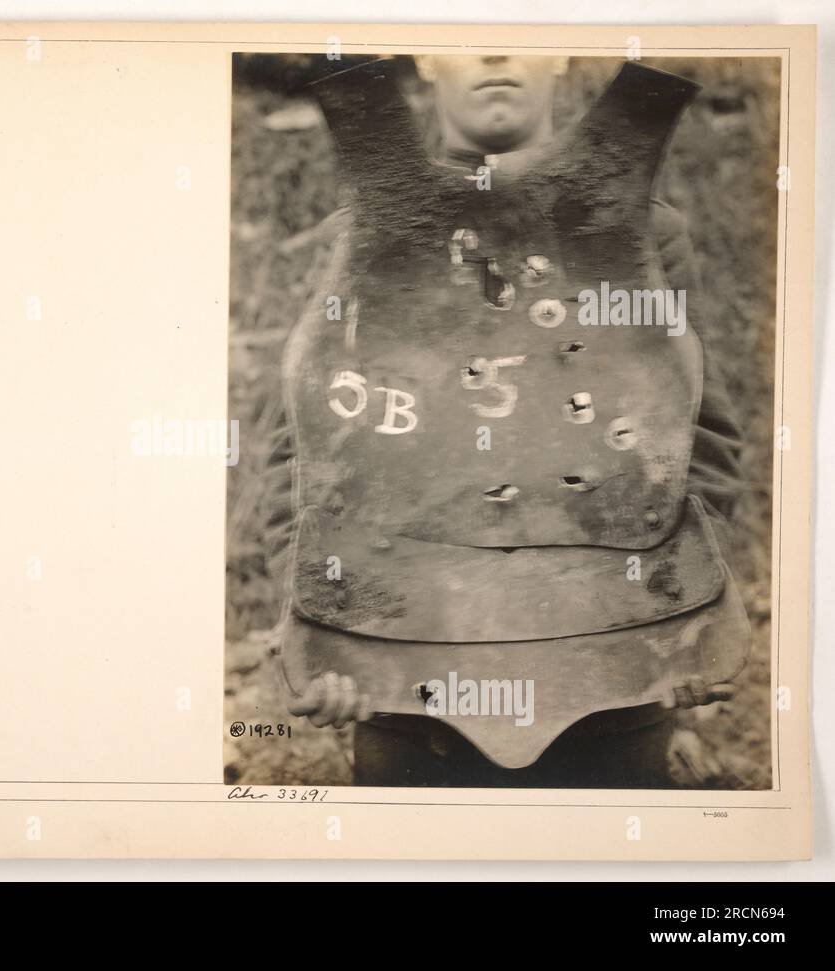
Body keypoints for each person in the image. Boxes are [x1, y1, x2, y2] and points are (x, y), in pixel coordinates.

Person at [265, 55, 747, 787]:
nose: (494, 58)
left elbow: (698, 434)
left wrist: (686, 622)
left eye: (518, 38)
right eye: (470, 38)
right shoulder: (355, 236)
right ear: (427, 63)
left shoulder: (645, 231)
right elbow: (296, 452)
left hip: (613, 668)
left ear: (558, 59)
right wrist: (318, 629)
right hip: (404, 671)